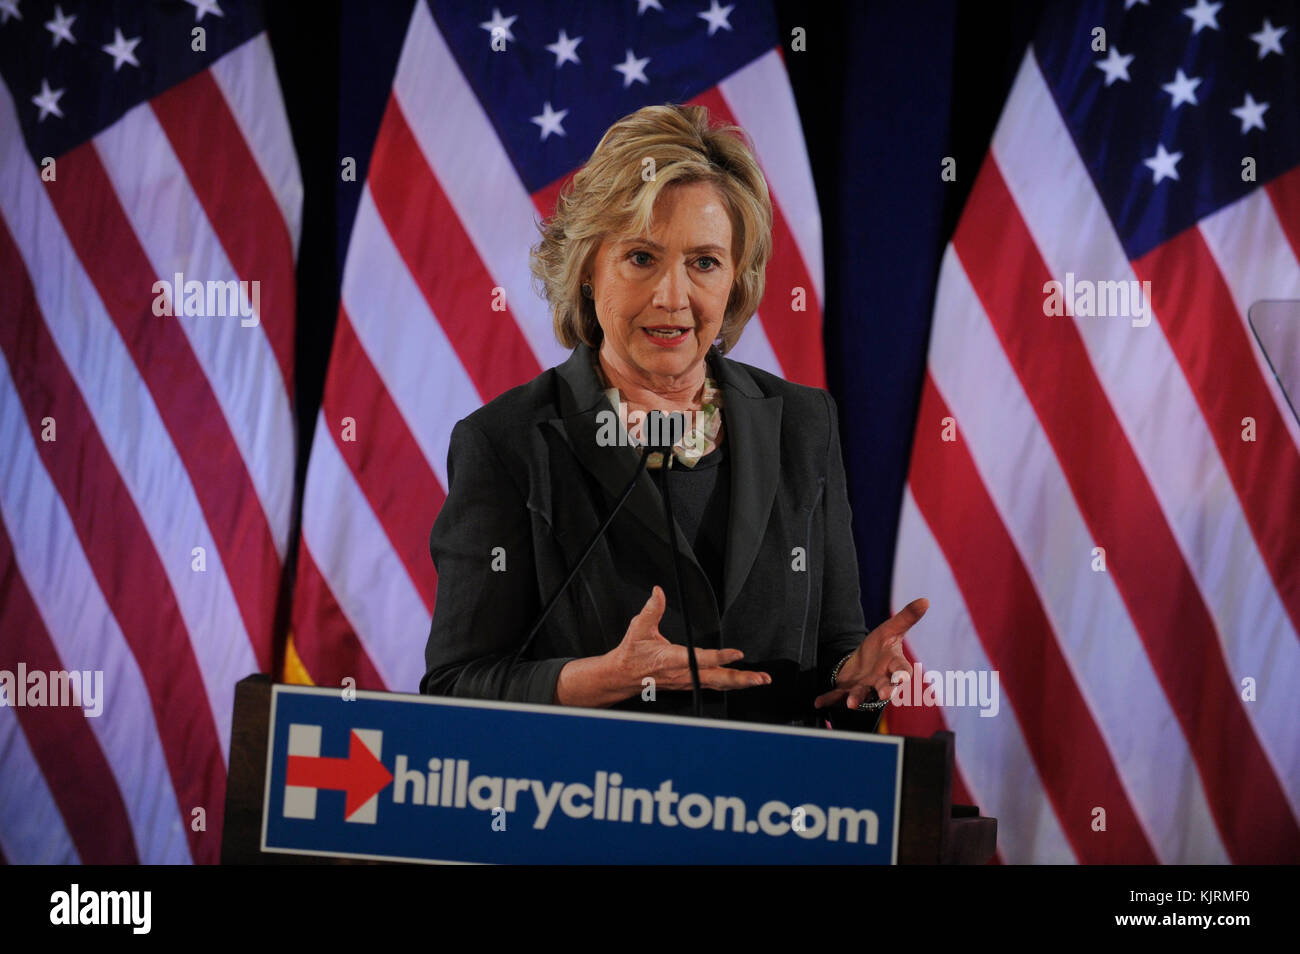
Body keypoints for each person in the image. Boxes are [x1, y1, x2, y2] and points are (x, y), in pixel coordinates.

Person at [419, 103, 927, 727]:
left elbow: (832, 660)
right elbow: (454, 687)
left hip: (766, 807)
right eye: (641, 258)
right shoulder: (507, 443)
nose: (672, 296)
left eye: (704, 262)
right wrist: (596, 680)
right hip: (593, 806)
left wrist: (859, 682)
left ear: (736, 280)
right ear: (586, 270)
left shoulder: (803, 424)